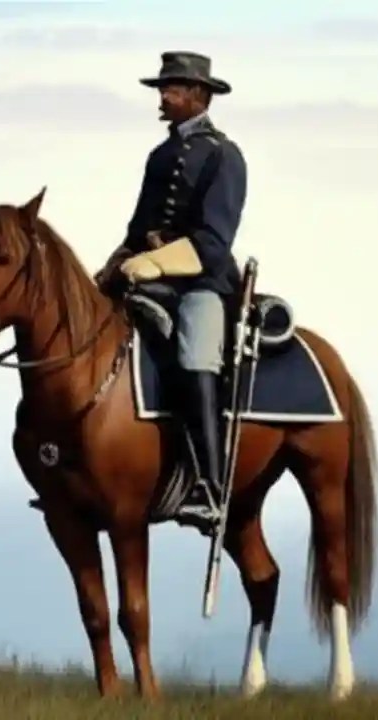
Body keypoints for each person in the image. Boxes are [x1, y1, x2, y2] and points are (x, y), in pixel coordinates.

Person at [96, 51, 247, 532]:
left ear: (199, 95)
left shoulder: (225, 156)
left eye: (173, 88)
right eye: (163, 88)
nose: (163, 96)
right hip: (150, 279)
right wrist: (110, 270)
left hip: (202, 282)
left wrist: (154, 260)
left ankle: (209, 484)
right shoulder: (159, 157)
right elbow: (139, 227)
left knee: (195, 355)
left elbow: (213, 242)